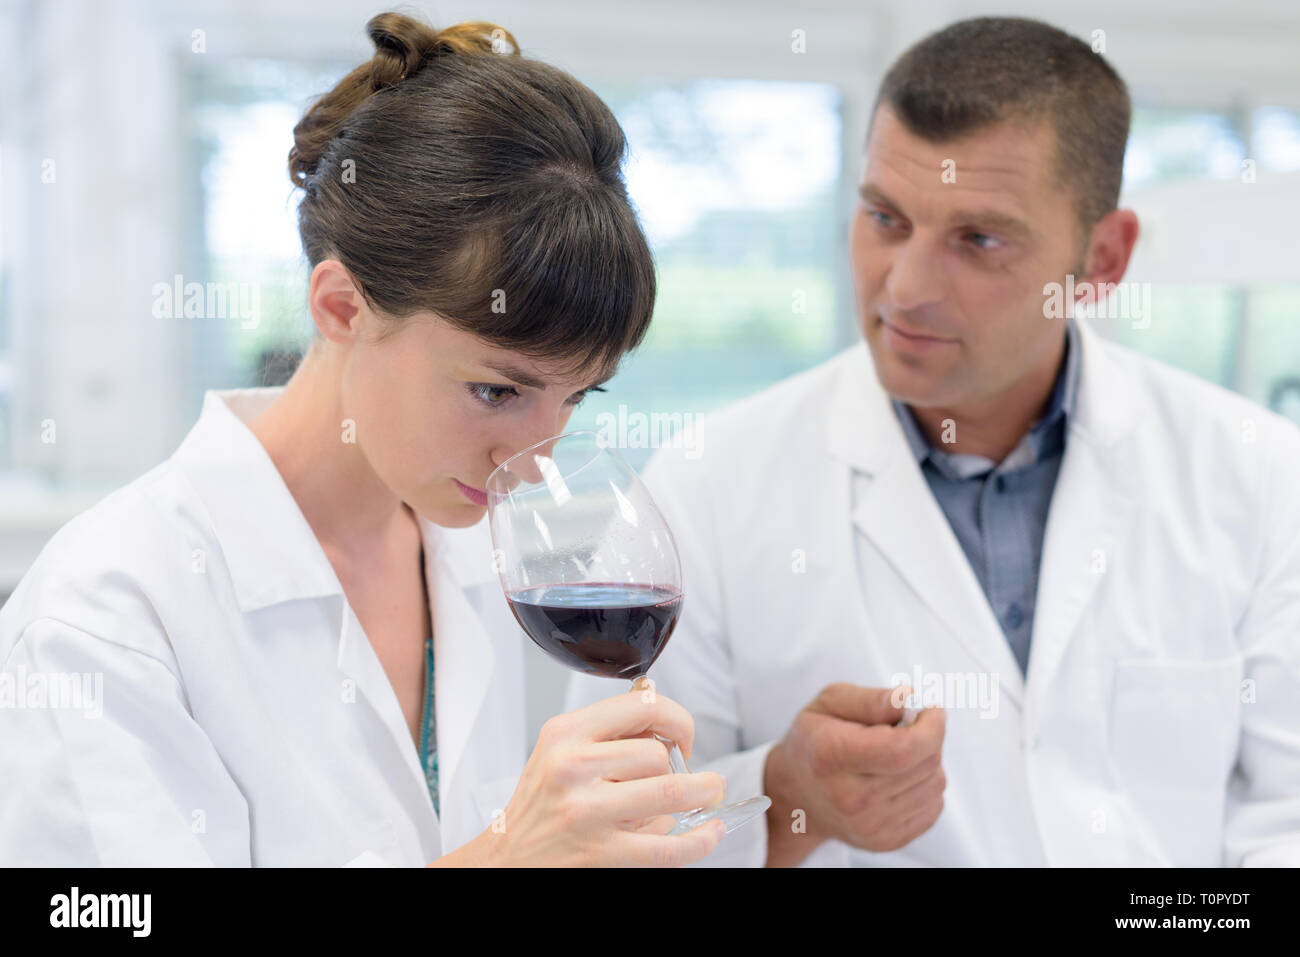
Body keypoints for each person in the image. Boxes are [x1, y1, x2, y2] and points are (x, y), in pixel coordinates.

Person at [568, 16, 1300, 867]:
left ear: (1102, 259)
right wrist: (788, 795)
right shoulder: (703, 490)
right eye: (885, 217)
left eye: (978, 239)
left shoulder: (1261, 475)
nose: (905, 290)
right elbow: (604, 842)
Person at [0, 13, 727, 867]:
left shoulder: (459, 542)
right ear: (342, 306)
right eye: (497, 389)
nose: (533, 465)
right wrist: (506, 856)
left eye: (577, 398)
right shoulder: (109, 611)